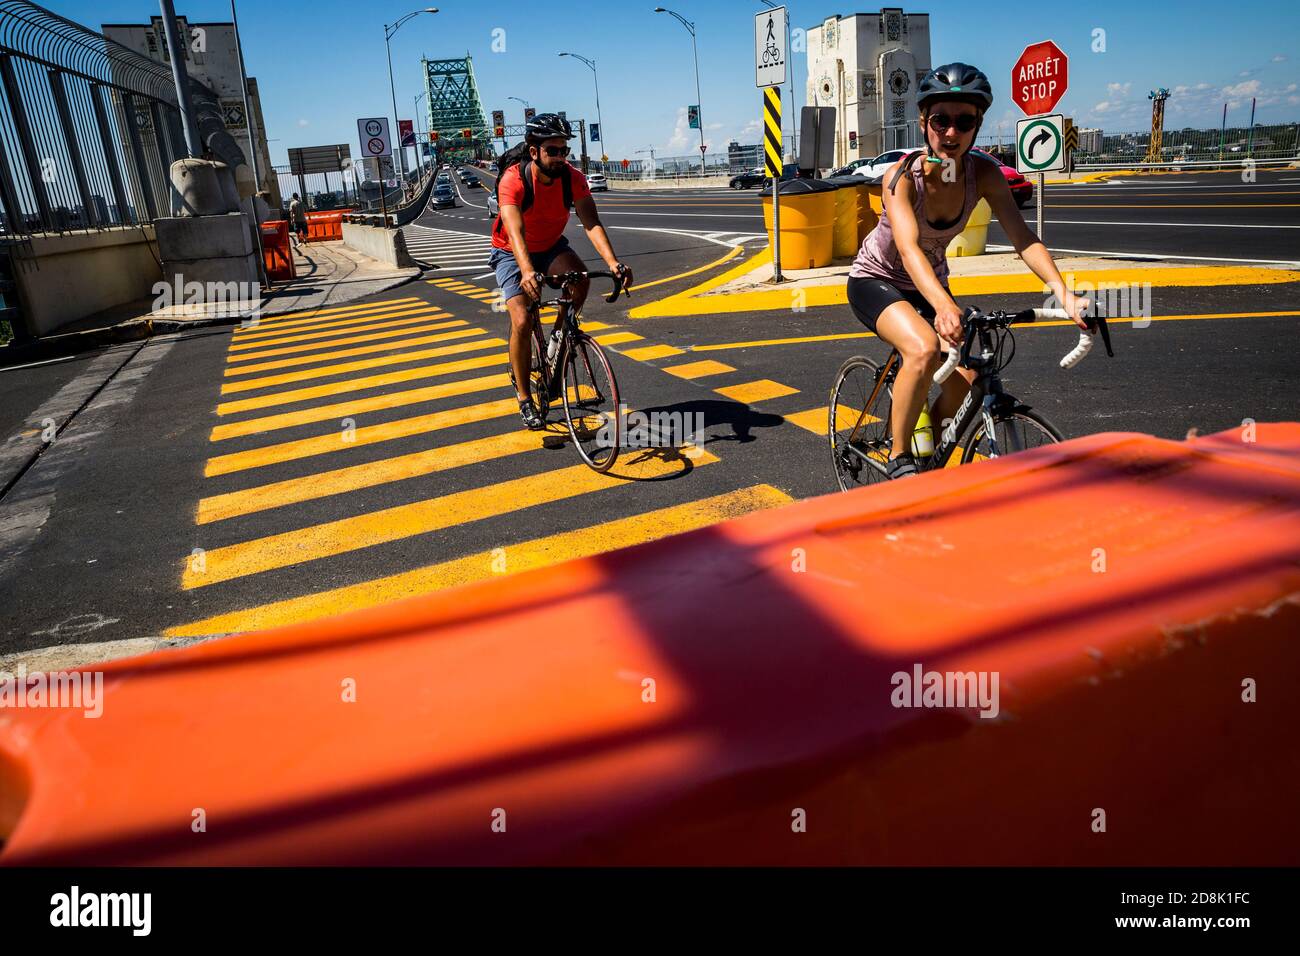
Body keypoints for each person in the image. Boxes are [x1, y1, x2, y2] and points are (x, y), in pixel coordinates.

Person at [846, 62, 1091, 479]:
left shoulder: (984, 174)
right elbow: (907, 249)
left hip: (930, 285)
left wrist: (1064, 294)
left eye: (965, 121)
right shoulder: (901, 177)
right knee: (923, 348)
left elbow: (1024, 239)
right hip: (877, 279)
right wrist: (943, 307)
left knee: (968, 376)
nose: (951, 133)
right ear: (924, 122)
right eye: (941, 120)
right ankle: (900, 459)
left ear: (978, 124)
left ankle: (928, 458)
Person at [489, 112, 633, 430]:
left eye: (563, 150)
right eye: (552, 151)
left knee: (581, 282)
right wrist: (527, 272)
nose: (559, 157)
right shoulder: (514, 180)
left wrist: (613, 263)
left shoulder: (572, 178)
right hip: (511, 251)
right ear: (534, 152)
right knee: (523, 319)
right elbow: (514, 231)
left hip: (551, 245)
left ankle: (557, 340)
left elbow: (591, 222)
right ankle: (525, 398)